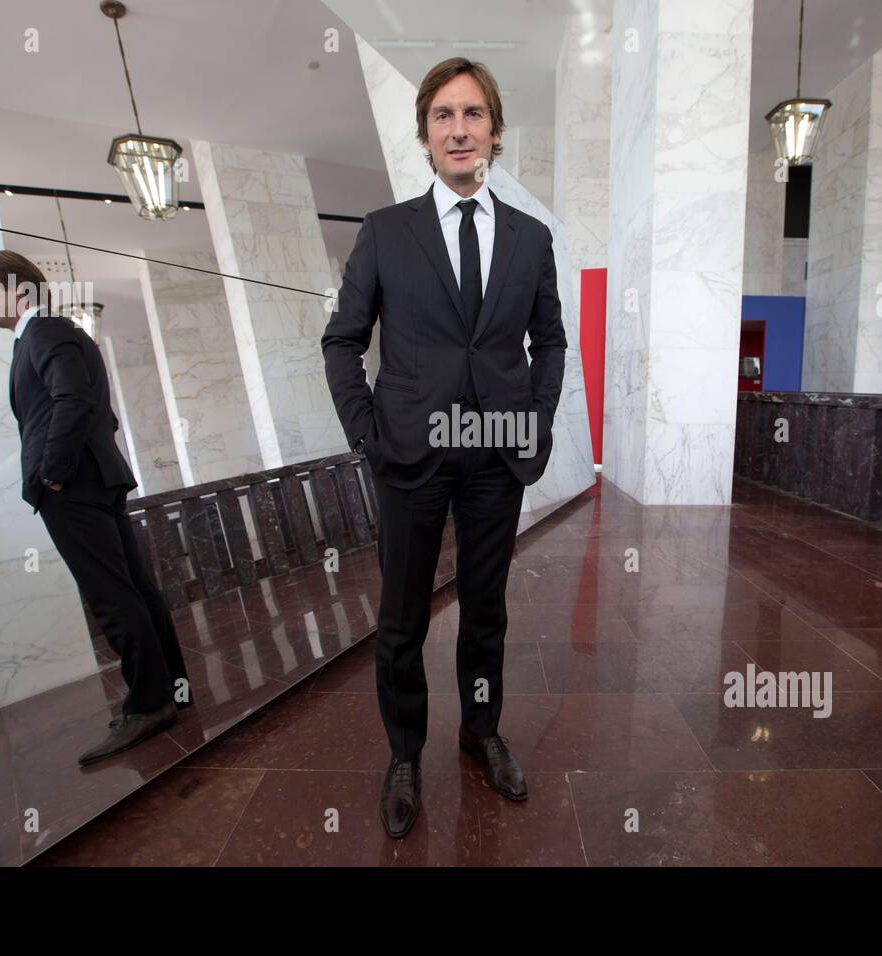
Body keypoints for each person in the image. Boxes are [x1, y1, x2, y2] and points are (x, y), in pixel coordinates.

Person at [322, 57, 566, 839]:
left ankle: (481, 732)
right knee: (401, 617)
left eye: (473, 115)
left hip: (495, 451)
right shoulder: (386, 232)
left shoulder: (531, 238)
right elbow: (342, 341)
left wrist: (533, 420)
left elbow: (551, 342)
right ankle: (404, 753)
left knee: (486, 611)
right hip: (411, 453)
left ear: (494, 130)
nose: (459, 130)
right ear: (425, 135)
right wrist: (367, 431)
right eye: (443, 117)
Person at [0, 251, 189, 765]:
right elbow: (98, 411)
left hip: (73, 485)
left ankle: (149, 704)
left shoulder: (43, 331)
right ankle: (171, 690)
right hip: (92, 477)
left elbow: (74, 402)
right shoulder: (53, 333)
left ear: (16, 289)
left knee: (111, 596)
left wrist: (53, 472)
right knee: (134, 588)